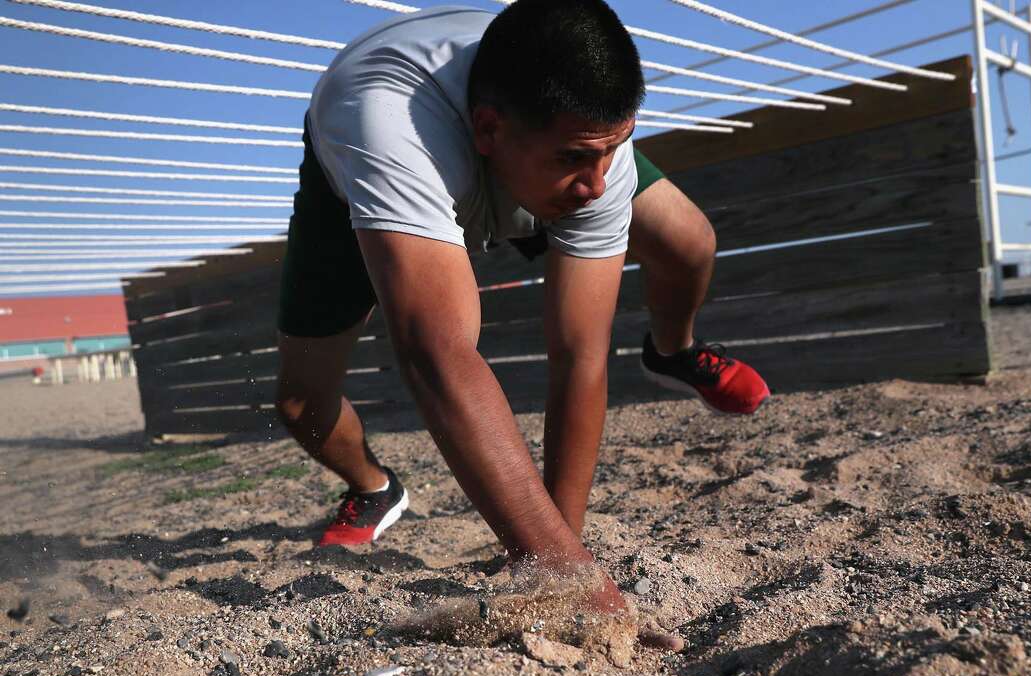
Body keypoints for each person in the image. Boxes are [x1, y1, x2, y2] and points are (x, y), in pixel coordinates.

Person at [274, 0, 768, 622]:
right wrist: (563, 573)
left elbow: (580, 354)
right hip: (366, 171)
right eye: (574, 160)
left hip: (527, 139)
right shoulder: (386, 124)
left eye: (613, 149)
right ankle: (375, 489)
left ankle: (673, 352)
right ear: (486, 130)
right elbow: (439, 356)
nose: (596, 184)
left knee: (689, 240)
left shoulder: (591, 156)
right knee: (300, 404)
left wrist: (555, 555)